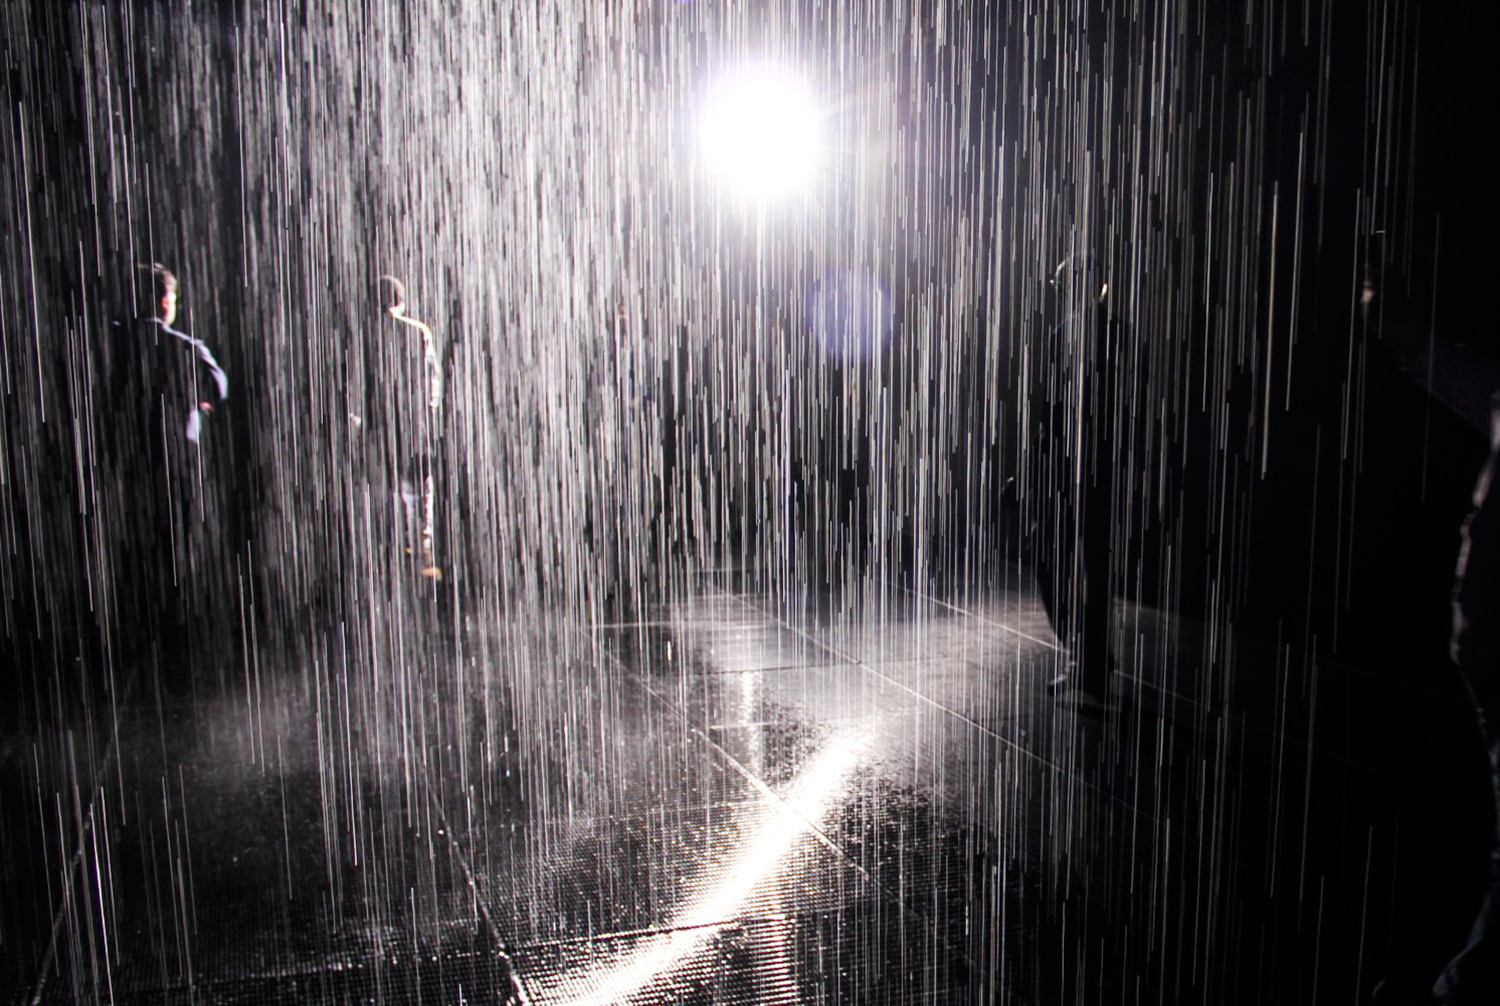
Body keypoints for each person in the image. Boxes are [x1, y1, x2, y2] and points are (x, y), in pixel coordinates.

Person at [1028, 254, 1119, 711]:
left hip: (1084, 469)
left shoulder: (1098, 337)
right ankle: (1088, 656)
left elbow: (1060, 412)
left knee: (1080, 565)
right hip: (1076, 468)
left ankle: (1090, 660)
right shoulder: (1076, 334)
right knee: (1073, 563)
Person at [360, 274, 444, 580]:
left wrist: (360, 424)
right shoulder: (418, 333)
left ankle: (390, 549)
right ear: (401, 302)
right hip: (416, 428)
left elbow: (355, 386)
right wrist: (430, 418)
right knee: (421, 490)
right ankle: (420, 551)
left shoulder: (365, 337)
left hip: (380, 428)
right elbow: (434, 384)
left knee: (389, 489)